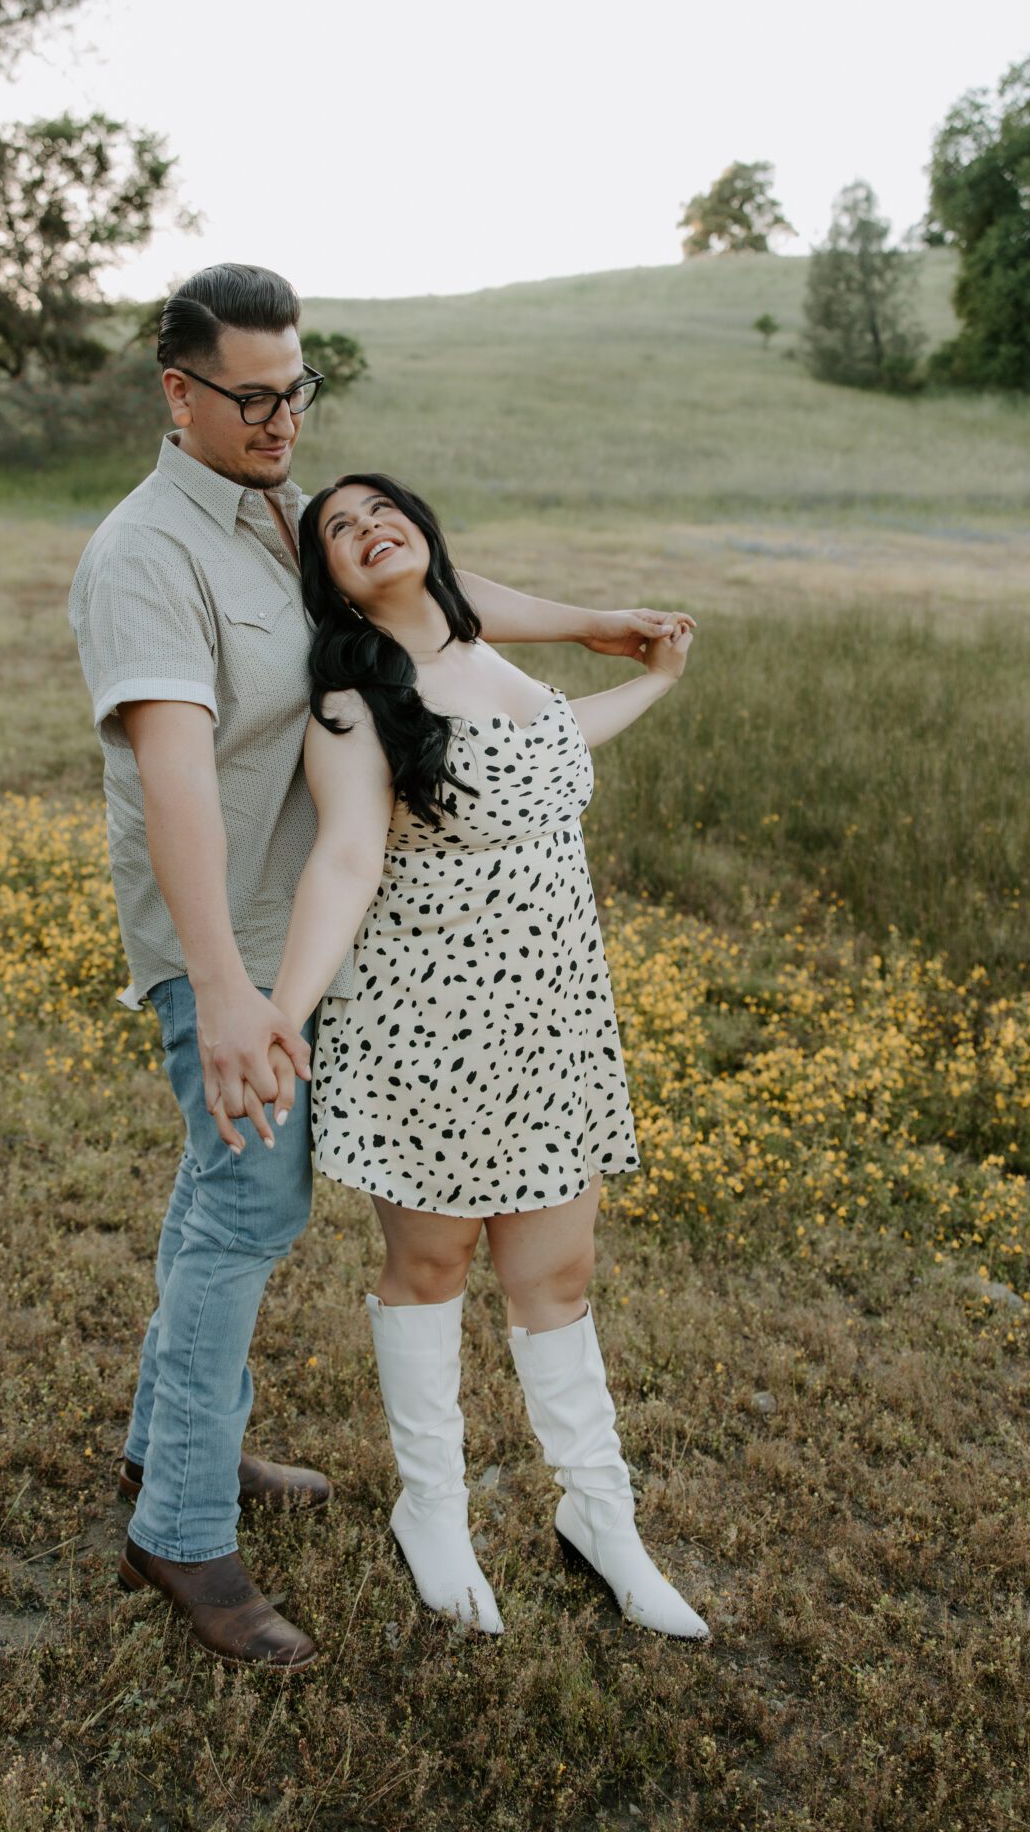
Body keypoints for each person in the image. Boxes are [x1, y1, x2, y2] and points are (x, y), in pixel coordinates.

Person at [68, 262, 696, 1670]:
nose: (283, 418)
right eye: (253, 396)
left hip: (322, 929)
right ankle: (178, 1525)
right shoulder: (145, 555)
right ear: (180, 395)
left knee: (220, 1207)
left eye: (297, 390)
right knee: (245, 1211)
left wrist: (586, 626)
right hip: (231, 937)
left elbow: (431, 606)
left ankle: (176, 1442)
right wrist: (229, 993)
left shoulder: (269, 508)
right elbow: (173, 780)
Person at [267, 471, 708, 1640]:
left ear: (427, 529)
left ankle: (601, 1518)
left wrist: (650, 682)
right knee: (432, 1273)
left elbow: (556, 745)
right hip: (429, 1027)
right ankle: (434, 1510)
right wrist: (280, 1012)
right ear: (334, 584)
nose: (367, 529)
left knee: (558, 1280)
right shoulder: (357, 700)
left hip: (555, 1026)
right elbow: (346, 862)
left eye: (379, 508)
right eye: (340, 530)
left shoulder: (496, 662)